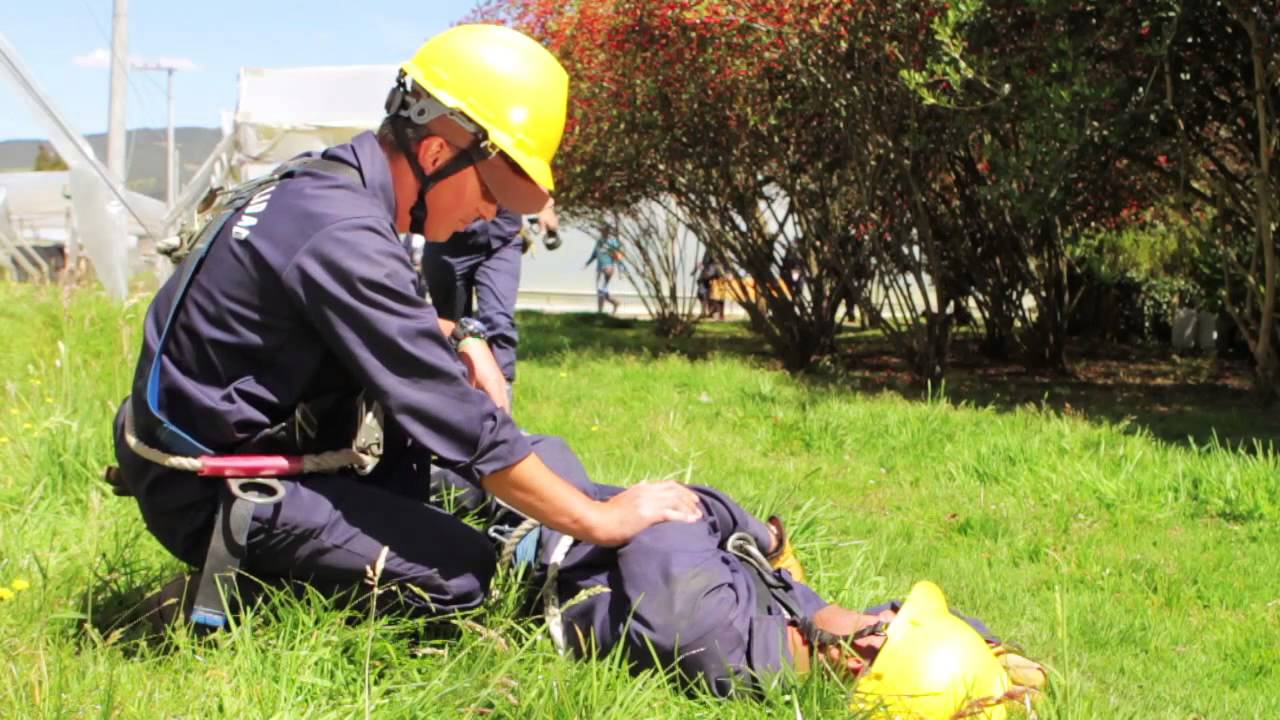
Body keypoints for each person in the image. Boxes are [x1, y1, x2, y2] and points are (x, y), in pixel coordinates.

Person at [108, 24, 702, 629]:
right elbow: (457, 421)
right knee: (464, 573)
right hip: (209, 490)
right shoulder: (342, 234)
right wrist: (599, 522)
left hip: (235, 444)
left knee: (512, 474)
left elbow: (373, 315)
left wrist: (460, 334)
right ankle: (229, 595)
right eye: (492, 194)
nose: (488, 216)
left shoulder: (324, 187)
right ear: (439, 154)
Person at [447, 436, 1046, 717]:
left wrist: (760, 535)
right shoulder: (801, 635)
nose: (885, 608)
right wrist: (984, 658)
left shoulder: (712, 626)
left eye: (890, 620)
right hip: (569, 521)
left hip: (525, 537)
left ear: (859, 653)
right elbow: (913, 661)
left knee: (510, 449)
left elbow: (678, 509)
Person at [420, 207, 525, 408]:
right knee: (452, 332)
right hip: (446, 240)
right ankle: (456, 411)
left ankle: (501, 415)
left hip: (501, 236)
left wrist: (546, 207)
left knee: (499, 323)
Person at [585, 226, 623, 314]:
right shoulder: (599, 241)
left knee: (600, 290)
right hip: (599, 268)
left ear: (608, 232)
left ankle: (600, 312)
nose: (603, 233)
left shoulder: (613, 242)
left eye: (605, 231)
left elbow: (618, 254)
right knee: (601, 290)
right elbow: (595, 254)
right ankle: (614, 303)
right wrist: (587, 263)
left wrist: (621, 268)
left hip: (608, 267)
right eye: (602, 231)